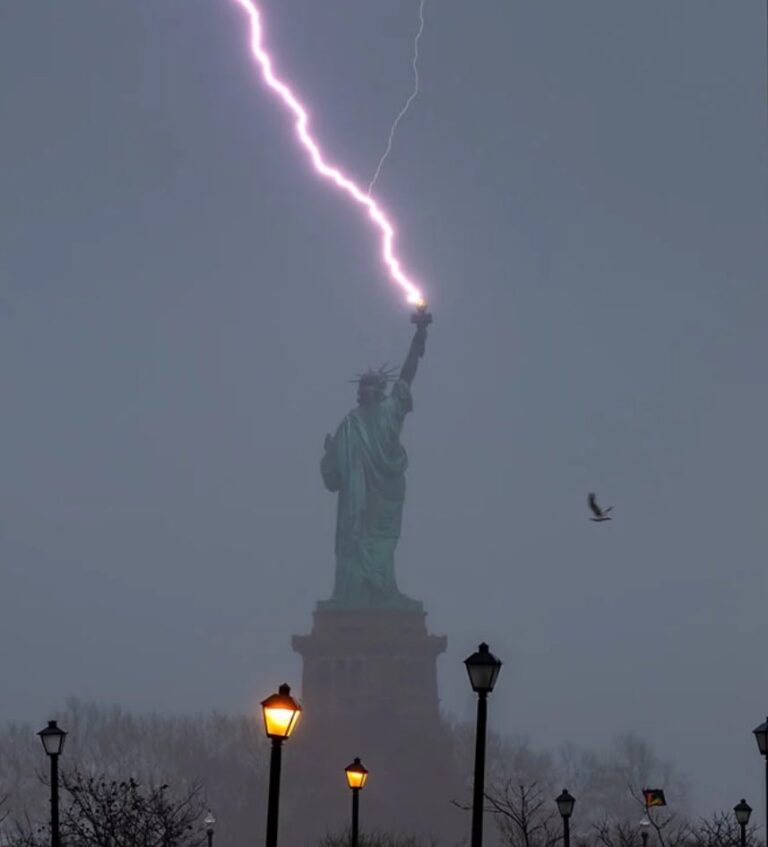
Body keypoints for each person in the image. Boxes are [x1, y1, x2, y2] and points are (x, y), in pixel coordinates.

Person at [320, 319, 428, 609]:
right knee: (355, 544)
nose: (363, 390)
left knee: (382, 547)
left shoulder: (389, 411)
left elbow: (406, 376)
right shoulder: (349, 425)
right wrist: (330, 454)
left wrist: (418, 340)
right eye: (362, 386)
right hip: (356, 505)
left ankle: (382, 591)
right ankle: (353, 596)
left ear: (381, 389)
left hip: (383, 499)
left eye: (370, 385)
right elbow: (332, 478)